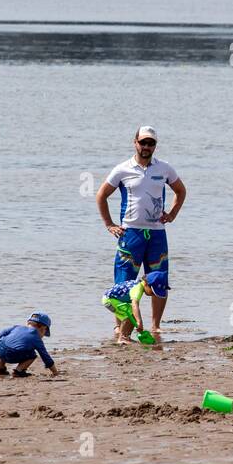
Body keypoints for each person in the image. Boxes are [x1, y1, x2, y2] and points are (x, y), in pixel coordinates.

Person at [96, 126, 186, 335]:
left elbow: (181, 190)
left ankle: (155, 325)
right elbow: (101, 195)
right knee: (125, 281)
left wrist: (172, 214)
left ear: (155, 145)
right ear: (135, 142)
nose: (146, 147)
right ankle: (120, 326)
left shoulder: (164, 169)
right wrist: (109, 224)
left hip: (156, 233)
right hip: (130, 233)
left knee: (159, 279)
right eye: (143, 142)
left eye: (151, 143)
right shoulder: (122, 169)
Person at [102, 270, 169, 344]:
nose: (153, 295)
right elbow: (134, 304)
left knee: (131, 316)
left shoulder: (139, 285)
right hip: (110, 300)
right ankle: (121, 338)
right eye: (153, 292)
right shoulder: (137, 288)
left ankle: (127, 337)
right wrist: (139, 321)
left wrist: (137, 320)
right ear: (146, 284)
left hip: (115, 300)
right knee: (128, 316)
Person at [0, 313, 58, 377]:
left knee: (3, 344)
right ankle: (19, 371)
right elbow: (45, 357)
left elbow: (1, 334)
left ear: (28, 323)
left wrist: (11, 342)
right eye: (44, 332)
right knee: (32, 355)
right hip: (15, 354)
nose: (43, 336)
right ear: (43, 328)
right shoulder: (37, 339)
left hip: (0, 350)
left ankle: (0, 368)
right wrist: (55, 372)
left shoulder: (17, 327)